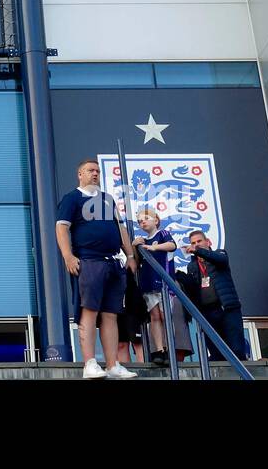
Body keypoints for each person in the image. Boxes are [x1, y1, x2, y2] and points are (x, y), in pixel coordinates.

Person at [56, 159, 138, 379]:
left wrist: (130, 254)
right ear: (80, 174)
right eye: (90, 171)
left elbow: (119, 228)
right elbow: (62, 227)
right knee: (89, 311)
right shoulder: (72, 198)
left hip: (113, 262)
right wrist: (68, 256)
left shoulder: (107, 200)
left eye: (97, 171)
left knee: (110, 314)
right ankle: (90, 363)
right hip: (89, 261)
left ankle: (112, 365)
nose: (95, 174)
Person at [182, 230, 247, 361]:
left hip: (227, 309)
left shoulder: (219, 254)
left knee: (236, 351)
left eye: (199, 241)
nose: (196, 245)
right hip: (208, 313)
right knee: (216, 354)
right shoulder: (192, 266)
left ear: (208, 242)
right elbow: (194, 290)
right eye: (193, 243)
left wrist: (197, 251)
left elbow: (221, 260)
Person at [133, 208, 177, 366]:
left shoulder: (162, 234)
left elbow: (172, 245)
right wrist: (135, 247)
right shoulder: (142, 241)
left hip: (164, 284)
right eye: (139, 221)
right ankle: (159, 350)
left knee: (165, 316)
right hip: (149, 284)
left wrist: (155, 247)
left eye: (145, 218)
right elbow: (137, 262)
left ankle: (169, 347)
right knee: (155, 317)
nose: (142, 222)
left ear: (156, 220)